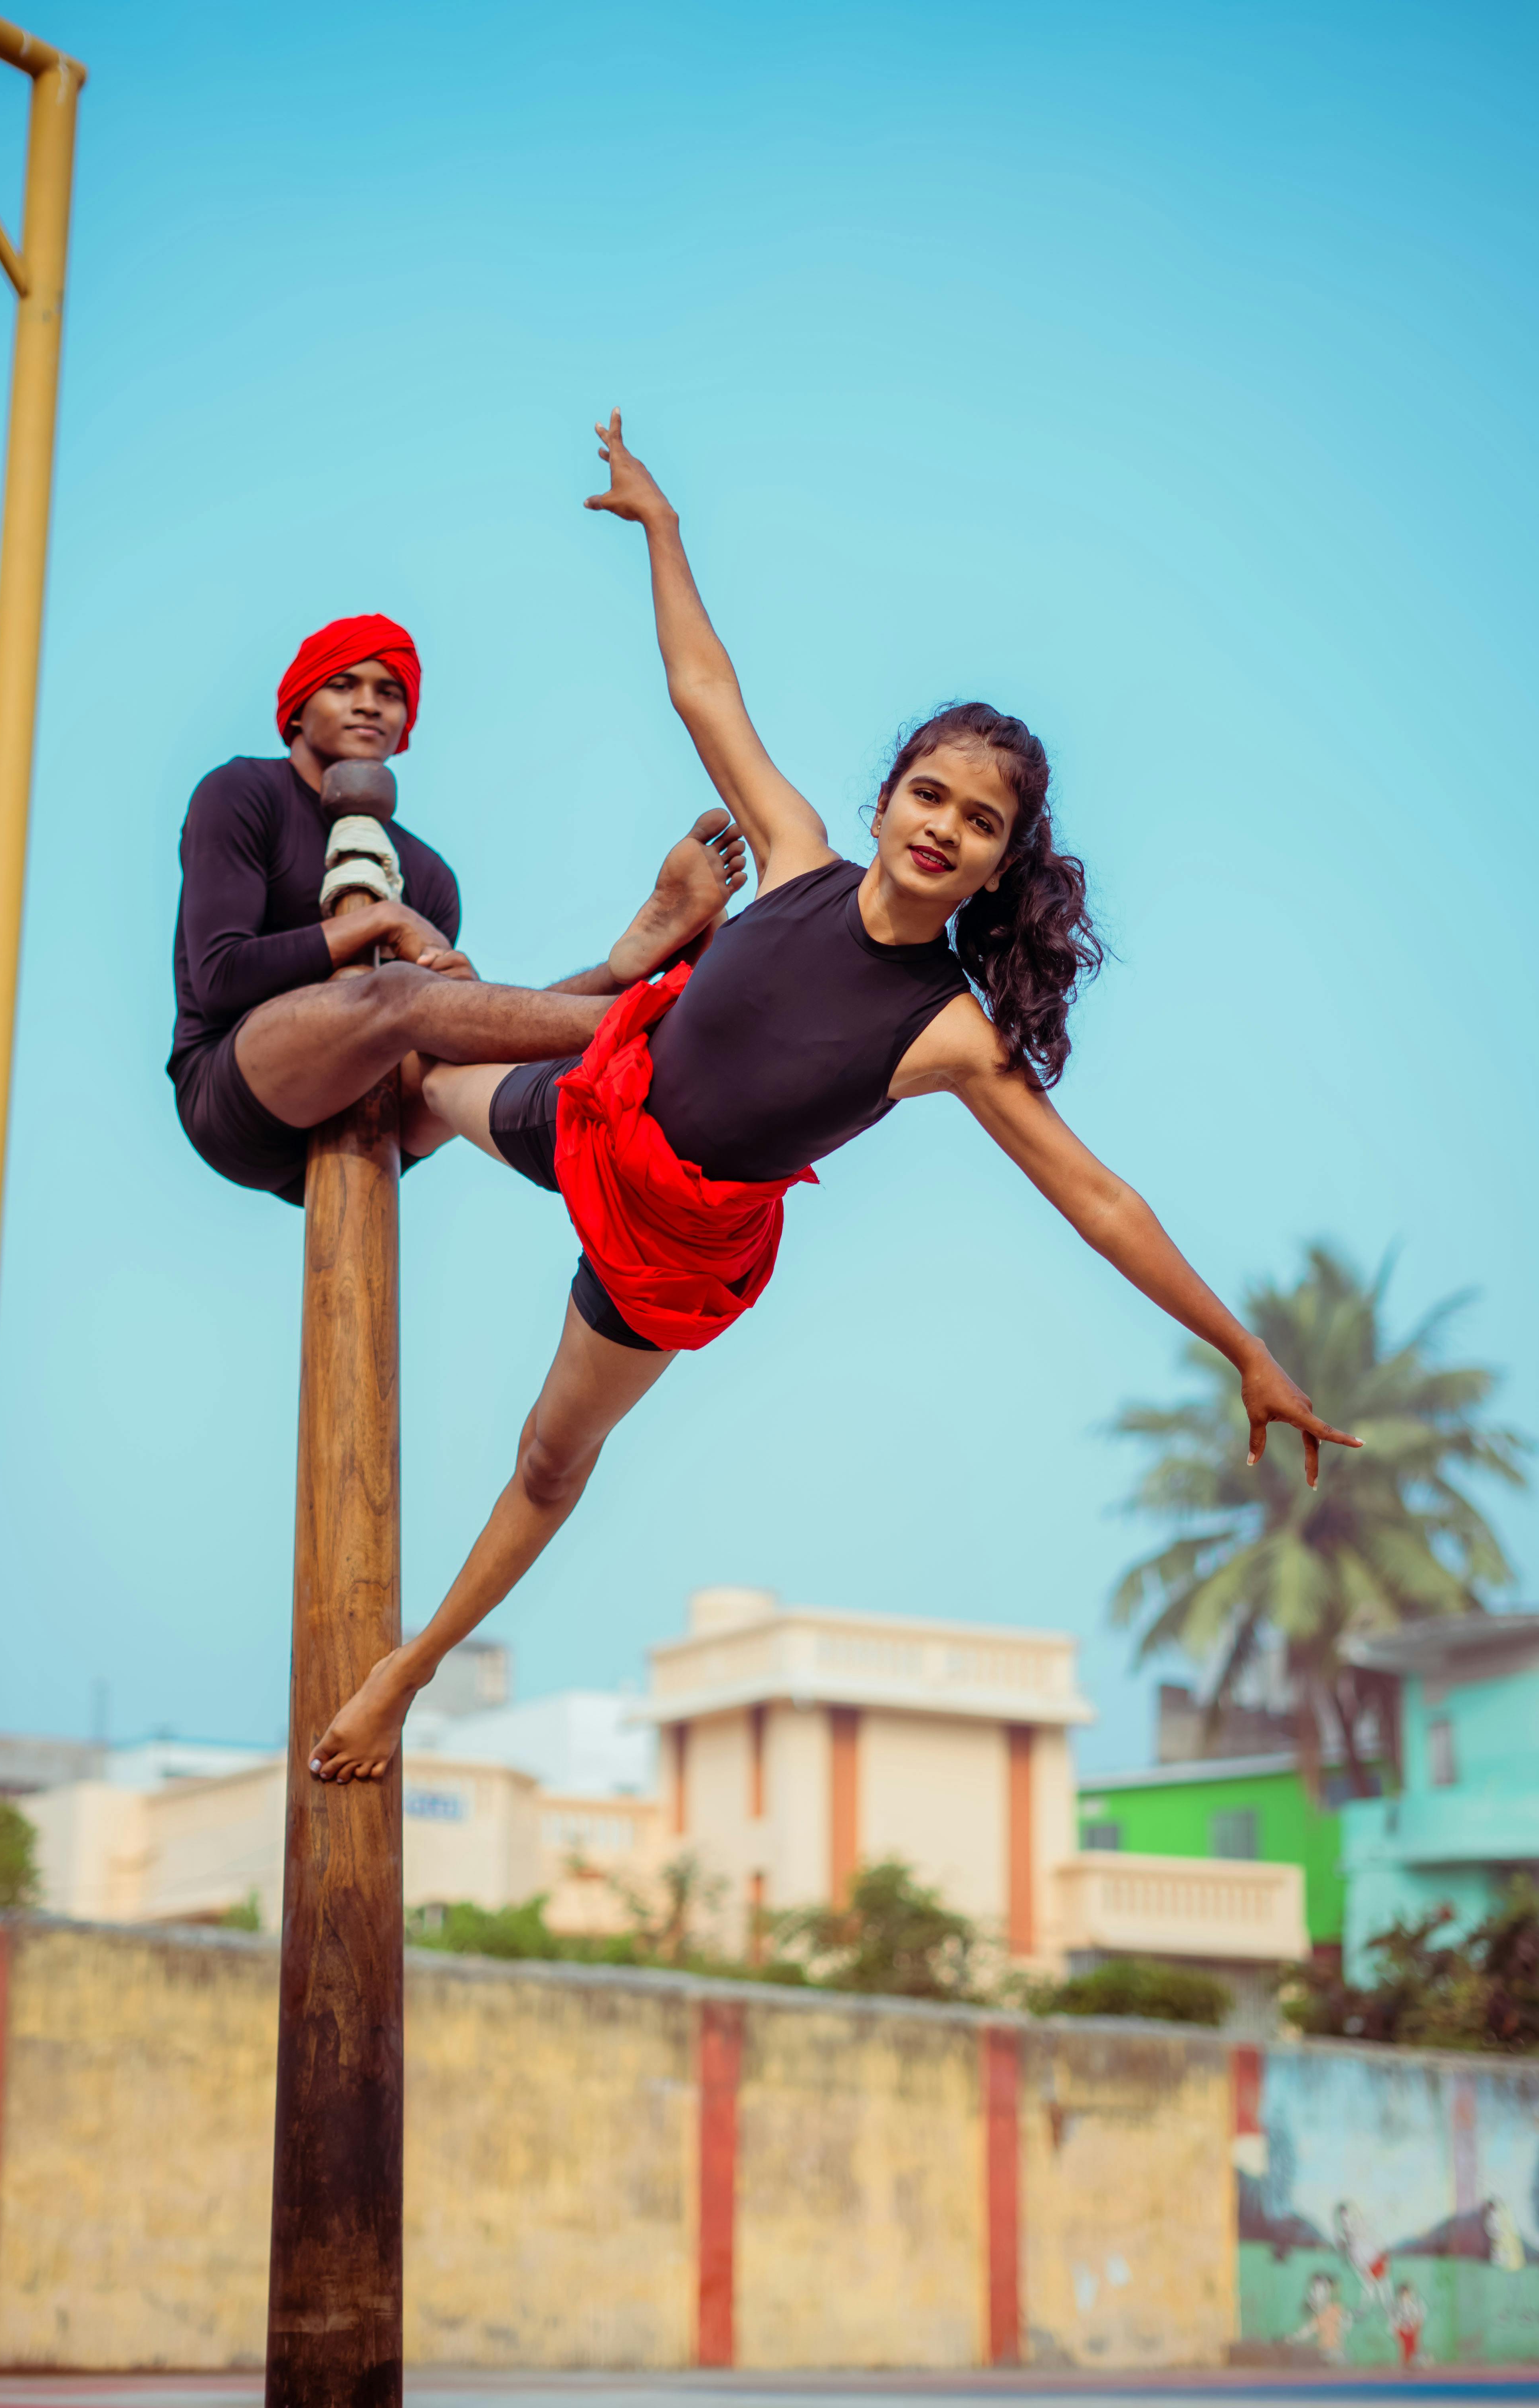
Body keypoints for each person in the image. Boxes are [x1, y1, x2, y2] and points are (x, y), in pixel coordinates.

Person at [309, 412, 1361, 1784]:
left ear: (991, 870)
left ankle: (407, 1670)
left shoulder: (945, 1035)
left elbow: (1100, 1201)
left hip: (669, 1242)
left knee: (549, 1462)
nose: (942, 826)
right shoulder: (795, 853)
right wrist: (665, 528)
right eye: (927, 794)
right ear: (882, 802)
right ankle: (343, 1100)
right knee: (415, 1077)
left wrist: (1244, 1350)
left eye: (977, 824)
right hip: (595, 1111)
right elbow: (702, 690)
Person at [168, 609, 746, 1213]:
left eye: (389, 693)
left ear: (405, 719)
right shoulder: (241, 794)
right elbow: (220, 978)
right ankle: (662, 1017)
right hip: (238, 1093)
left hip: (389, 1111)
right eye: (344, 685)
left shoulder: (426, 873)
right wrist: (382, 921)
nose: (368, 704)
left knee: (461, 1042)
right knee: (401, 995)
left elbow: (447, 1030)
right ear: (296, 707)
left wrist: (450, 984)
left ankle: (621, 974)